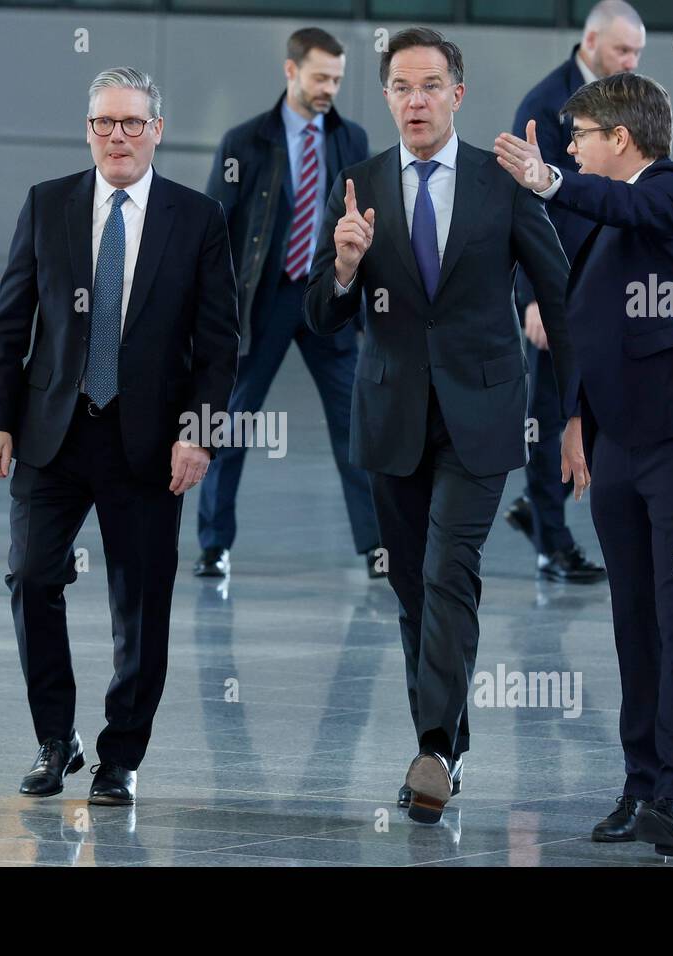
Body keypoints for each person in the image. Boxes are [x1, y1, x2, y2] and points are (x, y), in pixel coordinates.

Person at [303, 28, 575, 825]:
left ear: (458, 94)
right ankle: (451, 743)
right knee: (413, 587)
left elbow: (556, 293)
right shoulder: (359, 181)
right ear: (385, 97)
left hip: (483, 414)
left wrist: (580, 410)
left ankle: (430, 747)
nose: (414, 100)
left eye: (430, 86)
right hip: (391, 416)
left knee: (450, 569)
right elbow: (323, 315)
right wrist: (346, 266)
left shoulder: (500, 181)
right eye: (400, 87)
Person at [495, 71, 673, 856]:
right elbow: (587, 322)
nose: (572, 147)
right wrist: (575, 421)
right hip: (620, 443)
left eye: (582, 137)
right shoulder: (606, 227)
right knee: (634, 624)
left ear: (623, 140)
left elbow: (622, 202)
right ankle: (641, 785)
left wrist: (546, 179)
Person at [0, 68, 239, 807]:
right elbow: (8, 322)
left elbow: (221, 346)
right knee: (31, 577)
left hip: (152, 442)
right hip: (51, 432)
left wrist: (199, 433)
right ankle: (54, 739)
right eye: (103, 123)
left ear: (157, 129)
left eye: (131, 123)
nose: (116, 136)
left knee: (141, 603)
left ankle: (121, 755)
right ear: (87, 129)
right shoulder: (48, 204)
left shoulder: (197, 219)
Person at [196, 27, 380, 579]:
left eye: (337, 79)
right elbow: (213, 228)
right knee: (231, 421)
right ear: (291, 71)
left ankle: (377, 545)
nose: (329, 88)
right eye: (321, 76)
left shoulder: (352, 139)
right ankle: (214, 544)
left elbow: (368, 226)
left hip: (330, 294)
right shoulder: (244, 142)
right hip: (263, 299)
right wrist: (212, 311)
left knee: (355, 423)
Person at [503, 0, 644, 583]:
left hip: (608, 279)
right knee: (554, 412)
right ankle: (552, 542)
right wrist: (532, 297)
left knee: (600, 407)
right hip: (555, 287)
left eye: (638, 52)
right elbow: (523, 208)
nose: (631, 61)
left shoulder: (629, 102)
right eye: (621, 50)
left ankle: (537, 509)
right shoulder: (546, 103)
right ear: (589, 42)